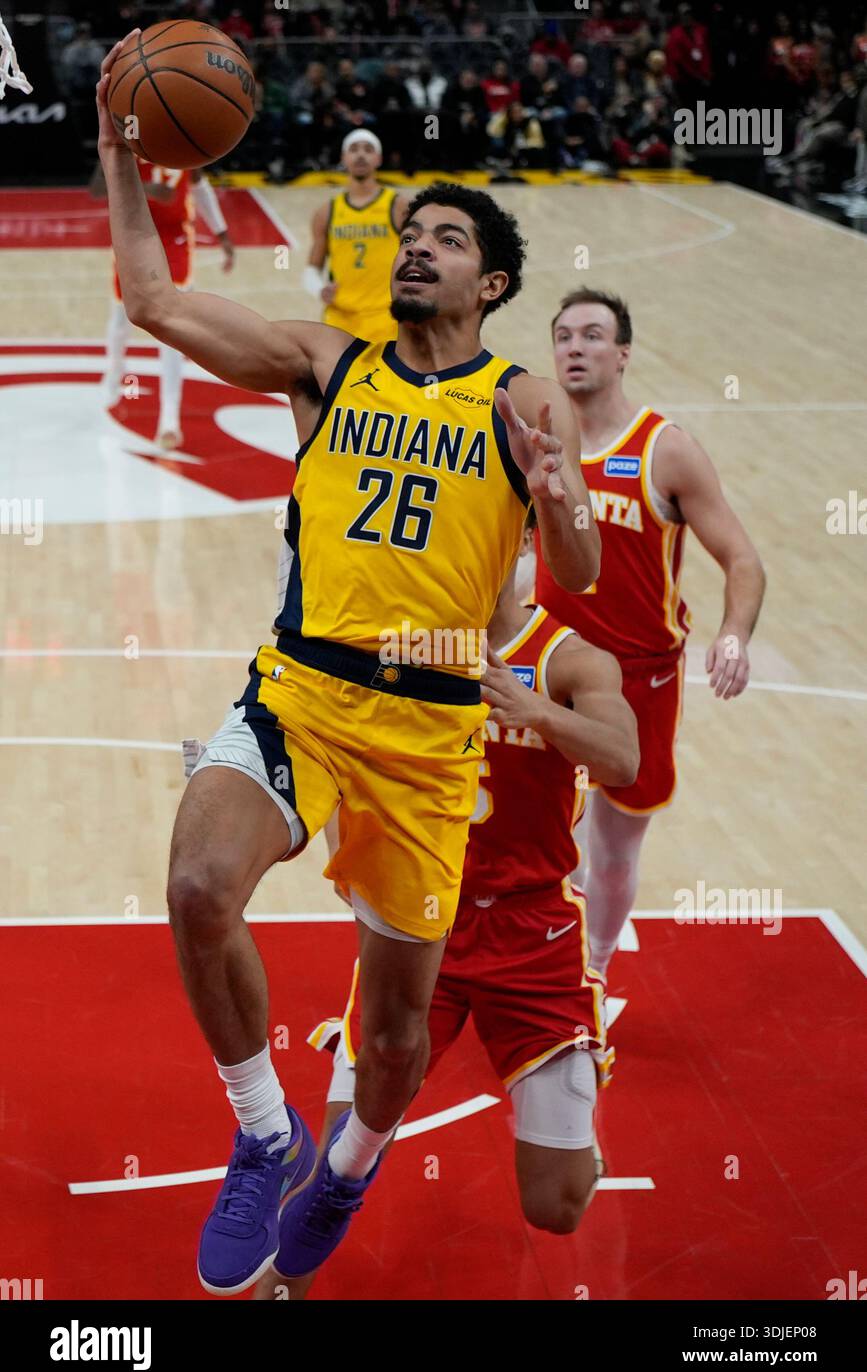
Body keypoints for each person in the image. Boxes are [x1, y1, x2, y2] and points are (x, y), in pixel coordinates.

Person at [96, 32, 600, 1298]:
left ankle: (355, 1160)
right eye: (412, 231)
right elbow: (154, 304)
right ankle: (266, 1130)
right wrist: (118, 155)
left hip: (431, 737)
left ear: (489, 287)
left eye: (446, 239)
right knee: (200, 886)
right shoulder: (329, 364)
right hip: (301, 693)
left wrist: (561, 502)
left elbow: (580, 577)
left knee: (388, 1044)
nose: (418, 246)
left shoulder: (522, 401)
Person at [251, 516, 639, 1297]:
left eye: (503, 537)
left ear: (523, 549)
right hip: (418, 921)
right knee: (338, 1158)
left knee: (556, 1208)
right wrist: (356, 880)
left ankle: (569, 1112)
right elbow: (339, 753)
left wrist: (540, 717)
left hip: (532, 930)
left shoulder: (569, 658)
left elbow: (624, 759)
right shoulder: (398, 648)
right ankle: (277, 1280)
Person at [531, 289, 765, 982]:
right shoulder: (536, 443)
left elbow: (742, 559)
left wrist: (733, 636)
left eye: (592, 336)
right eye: (564, 336)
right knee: (543, 838)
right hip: (552, 668)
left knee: (610, 846)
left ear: (622, 353)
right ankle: (547, 967)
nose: (574, 347)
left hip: (640, 679)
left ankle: (593, 972)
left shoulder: (667, 451)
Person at [89, 157, 235, 451]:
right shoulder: (126, 142)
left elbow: (200, 185)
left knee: (172, 328)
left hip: (175, 241)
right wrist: (145, 188)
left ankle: (169, 416)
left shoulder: (179, 139)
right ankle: (115, 371)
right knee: (121, 319)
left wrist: (222, 234)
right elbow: (96, 188)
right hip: (132, 237)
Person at [305, 131, 409, 344]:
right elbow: (311, 269)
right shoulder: (326, 212)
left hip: (388, 318)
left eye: (368, 149)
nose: (360, 155)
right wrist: (319, 289)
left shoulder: (398, 206)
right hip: (340, 319)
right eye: (354, 149)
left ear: (379, 159)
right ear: (344, 158)